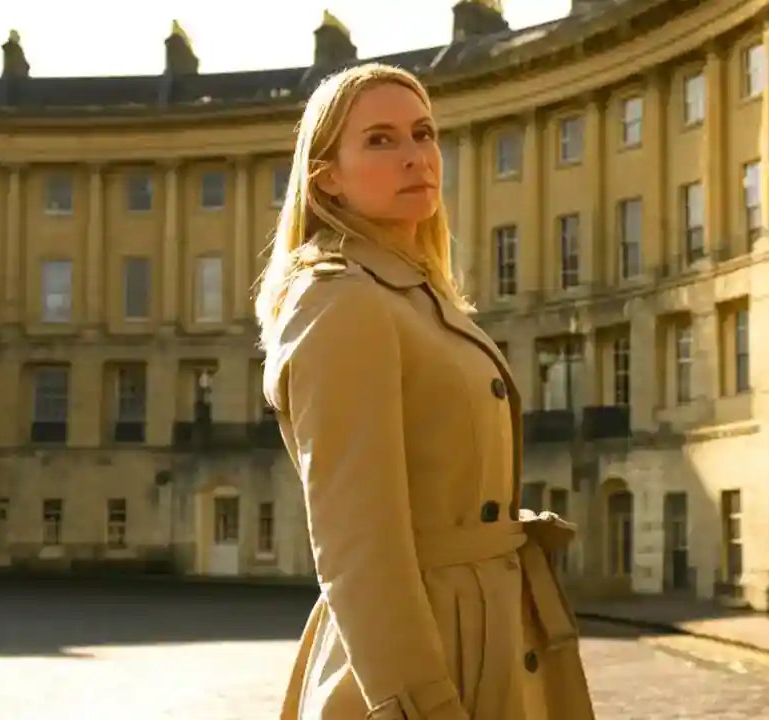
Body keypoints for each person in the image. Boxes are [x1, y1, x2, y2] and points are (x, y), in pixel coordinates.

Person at [254, 63, 595, 720]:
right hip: (424, 656)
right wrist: (422, 705)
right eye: (380, 140)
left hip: (490, 635)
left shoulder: (417, 293)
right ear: (328, 175)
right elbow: (356, 547)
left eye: (423, 133)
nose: (415, 156)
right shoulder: (341, 300)